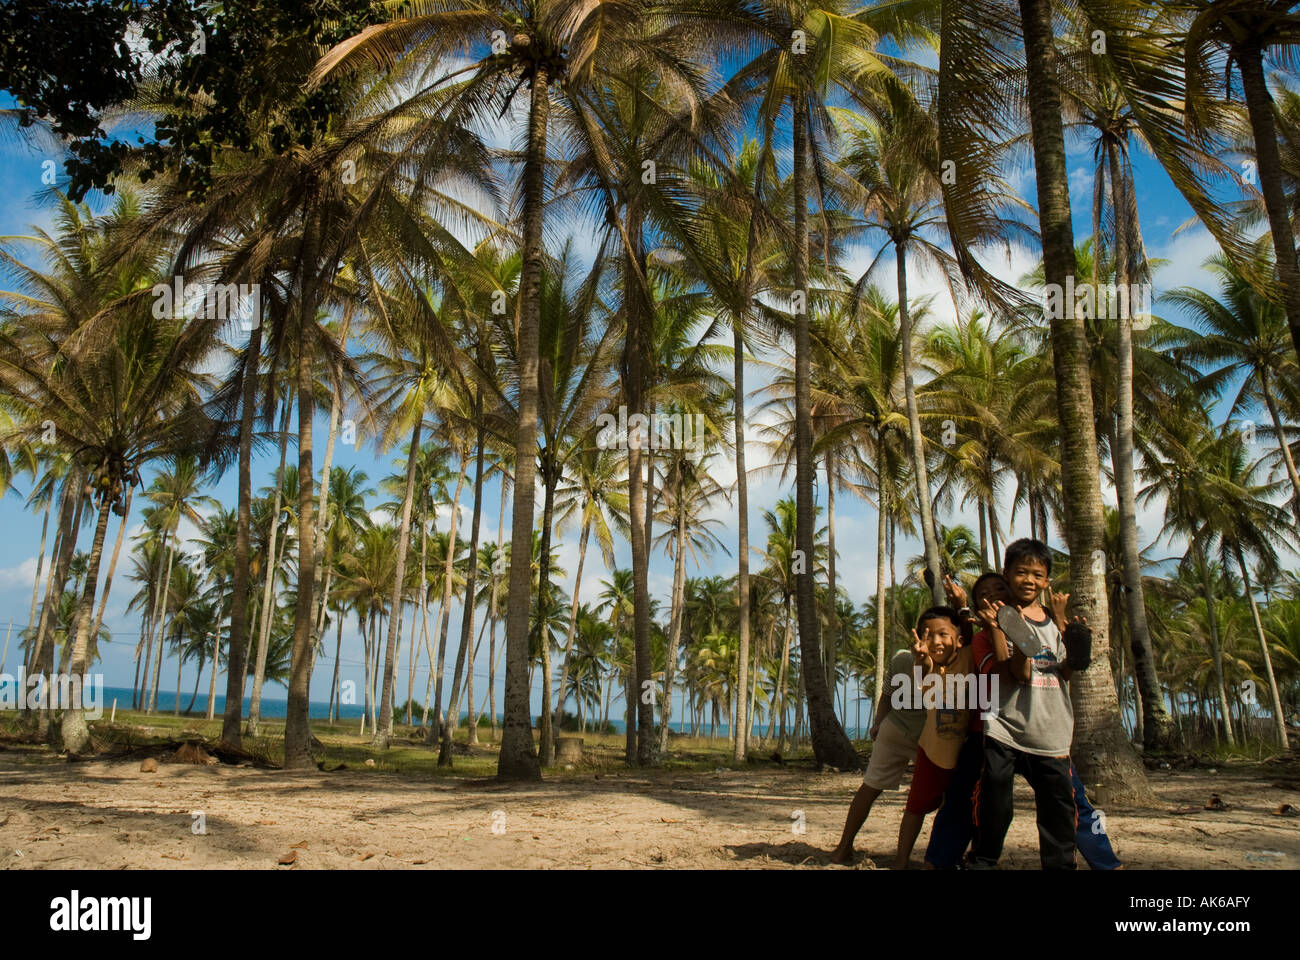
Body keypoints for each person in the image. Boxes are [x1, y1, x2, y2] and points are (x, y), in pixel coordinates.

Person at [923, 572, 1123, 869]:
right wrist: (967, 609)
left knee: (1073, 801)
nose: (992, 597)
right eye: (984, 594)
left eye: (999, 590)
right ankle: (941, 860)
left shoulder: (1039, 630)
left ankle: (1106, 862)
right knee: (963, 798)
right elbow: (986, 656)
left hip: (1040, 730)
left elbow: (1063, 659)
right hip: (991, 730)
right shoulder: (981, 637)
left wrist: (1059, 619)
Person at [966, 538, 1091, 870]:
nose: (1029, 580)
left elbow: (1064, 672)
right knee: (995, 805)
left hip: (1050, 729)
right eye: (1021, 572)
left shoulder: (1054, 622)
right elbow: (1017, 673)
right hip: (1004, 726)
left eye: (1037, 574)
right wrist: (1018, 642)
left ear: (1047, 580)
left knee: (1058, 812)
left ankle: (1061, 866)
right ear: (1007, 573)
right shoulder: (1001, 617)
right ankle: (982, 861)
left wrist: (1076, 655)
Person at [829, 638, 928, 865]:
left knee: (870, 788)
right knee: (920, 799)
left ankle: (842, 849)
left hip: (895, 729)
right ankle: (902, 860)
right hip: (924, 737)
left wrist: (878, 723)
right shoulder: (947, 661)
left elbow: (887, 695)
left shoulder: (902, 658)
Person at [893, 606, 973, 869]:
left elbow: (970, 634)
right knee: (916, 807)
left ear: (958, 639)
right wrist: (922, 657)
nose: (936, 642)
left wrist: (962, 608)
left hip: (966, 752)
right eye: (928, 636)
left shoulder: (969, 656)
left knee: (962, 810)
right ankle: (901, 860)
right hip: (932, 749)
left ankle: (952, 857)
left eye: (943, 635)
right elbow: (925, 667)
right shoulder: (924, 666)